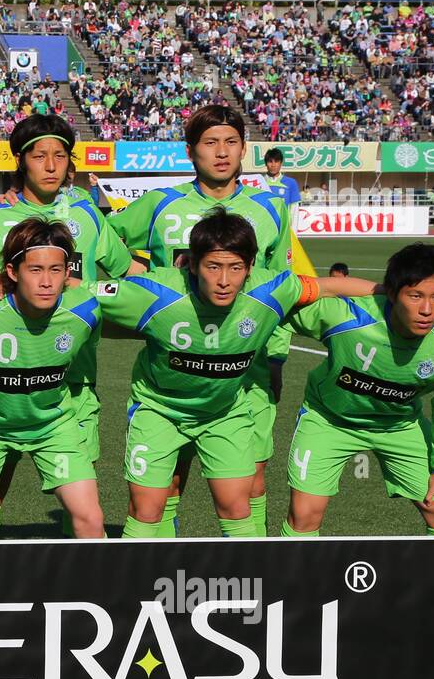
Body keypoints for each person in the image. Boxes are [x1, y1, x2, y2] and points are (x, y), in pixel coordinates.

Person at [96, 208, 378, 538]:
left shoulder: (270, 290)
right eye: (213, 267)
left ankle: (247, 583)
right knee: (146, 510)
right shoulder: (156, 292)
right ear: (191, 263)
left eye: (235, 268)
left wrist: (394, 291)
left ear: (250, 268)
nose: (224, 280)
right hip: (160, 411)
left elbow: (327, 286)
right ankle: (136, 586)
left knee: (237, 508)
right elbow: (77, 296)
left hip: (224, 414)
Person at [0, 112, 134, 538]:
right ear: (21, 162)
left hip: (74, 383)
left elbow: (126, 272)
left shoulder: (87, 214)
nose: (50, 166)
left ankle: (73, 591)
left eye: (60, 156)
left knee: (80, 499)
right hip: (2, 381)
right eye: (40, 156)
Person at [107, 104, 293, 536]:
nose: (222, 152)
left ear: (244, 149)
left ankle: (256, 576)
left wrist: (278, 357)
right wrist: (142, 279)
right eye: (210, 143)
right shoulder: (161, 204)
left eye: (231, 142)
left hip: (247, 367)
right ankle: (163, 578)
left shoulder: (270, 209)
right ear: (191, 151)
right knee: (168, 482)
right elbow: (103, 239)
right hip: (174, 366)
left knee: (249, 484)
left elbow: (283, 284)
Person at [282, 244, 434, 537]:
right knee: (304, 514)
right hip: (329, 420)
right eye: (415, 296)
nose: (427, 310)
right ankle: (294, 581)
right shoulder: (346, 316)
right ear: (392, 293)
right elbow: (275, 300)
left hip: (398, 425)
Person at [0, 218, 104, 540]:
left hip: (53, 425)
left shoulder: (85, 309)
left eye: (56, 270)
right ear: (11, 272)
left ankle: (94, 590)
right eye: (35, 270)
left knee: (90, 519)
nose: (46, 281)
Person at [262, 147, 301, 225]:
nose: (273, 165)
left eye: (276, 161)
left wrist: (292, 233)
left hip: (284, 228)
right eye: (270, 161)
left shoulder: (291, 183)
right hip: (265, 228)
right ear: (266, 163)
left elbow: (294, 210)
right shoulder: (260, 182)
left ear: (281, 163)